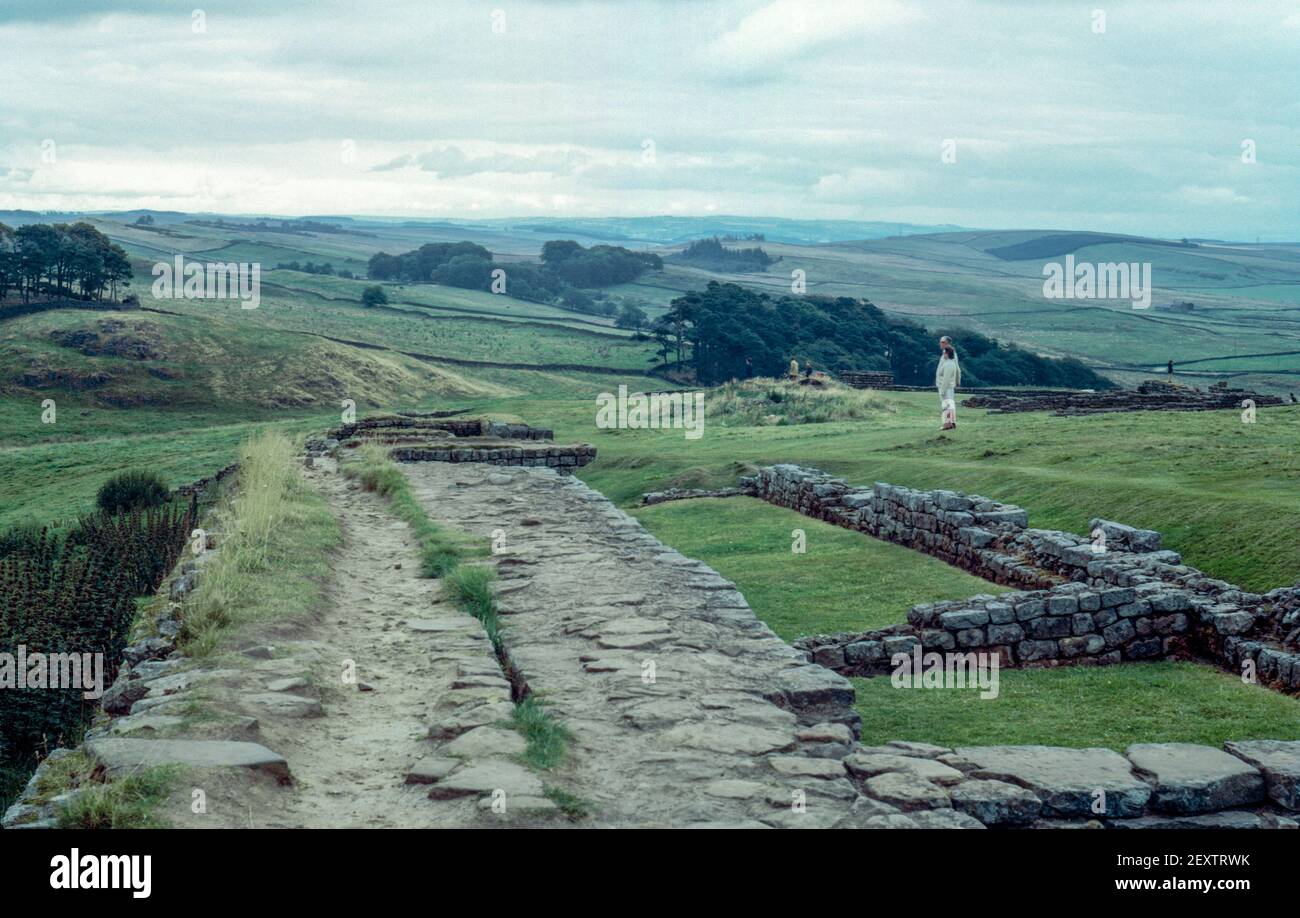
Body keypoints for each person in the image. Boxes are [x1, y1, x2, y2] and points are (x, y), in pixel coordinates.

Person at [935, 335, 960, 430]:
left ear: (948, 344)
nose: (940, 344)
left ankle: (947, 424)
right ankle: (951, 423)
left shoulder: (951, 358)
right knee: (949, 403)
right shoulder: (945, 356)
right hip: (945, 384)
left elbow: (955, 369)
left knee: (946, 404)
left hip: (945, 385)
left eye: (943, 342)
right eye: (940, 342)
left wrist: (957, 381)